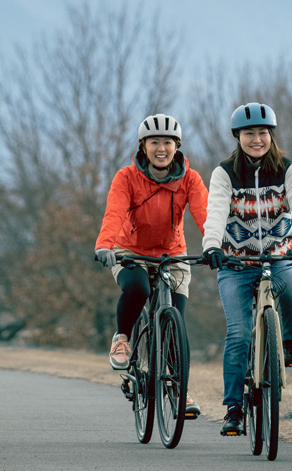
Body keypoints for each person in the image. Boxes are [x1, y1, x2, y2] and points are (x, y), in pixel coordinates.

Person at [201, 102, 292, 436]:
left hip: (278, 255)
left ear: (271, 135)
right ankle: (233, 408)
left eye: (262, 133)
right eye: (249, 134)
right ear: (237, 137)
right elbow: (215, 210)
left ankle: (291, 340)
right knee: (239, 333)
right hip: (235, 262)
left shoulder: (288, 169)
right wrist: (211, 245)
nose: (256, 139)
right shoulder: (224, 172)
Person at [95, 113, 209, 418]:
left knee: (176, 328)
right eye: (154, 142)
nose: (161, 148)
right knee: (138, 288)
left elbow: (205, 216)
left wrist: (216, 248)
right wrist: (105, 245)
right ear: (143, 146)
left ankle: (178, 391)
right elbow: (114, 212)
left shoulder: (190, 179)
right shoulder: (126, 177)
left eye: (167, 142)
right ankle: (122, 339)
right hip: (130, 251)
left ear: (177, 146)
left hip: (172, 255)